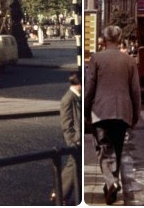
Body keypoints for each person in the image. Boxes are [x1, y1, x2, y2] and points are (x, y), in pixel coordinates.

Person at [84, 25, 141, 206]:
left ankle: (111, 183)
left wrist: (85, 110)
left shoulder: (96, 59)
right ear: (119, 39)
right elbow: (135, 91)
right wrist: (135, 115)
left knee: (103, 149)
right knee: (116, 149)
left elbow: (89, 88)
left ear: (104, 40)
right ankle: (112, 186)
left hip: (100, 112)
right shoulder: (129, 60)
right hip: (123, 112)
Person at [56, 73, 83, 206]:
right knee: (73, 166)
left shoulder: (77, 97)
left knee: (75, 167)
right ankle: (60, 194)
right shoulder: (68, 99)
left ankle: (62, 194)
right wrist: (75, 140)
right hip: (75, 141)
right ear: (79, 84)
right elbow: (66, 124)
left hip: (78, 140)